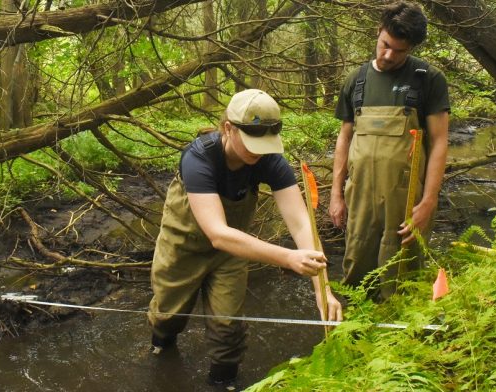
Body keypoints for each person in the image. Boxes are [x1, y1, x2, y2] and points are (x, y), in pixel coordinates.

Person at [147, 89, 343, 389]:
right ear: (229, 128)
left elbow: (301, 223)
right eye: (253, 142)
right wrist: (288, 258)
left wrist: (322, 289)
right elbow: (217, 233)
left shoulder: (270, 162)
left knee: (228, 329)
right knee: (168, 316)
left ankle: (223, 381)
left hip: (232, 253)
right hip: (183, 246)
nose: (259, 152)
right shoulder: (199, 157)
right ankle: (161, 353)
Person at [329, 1, 450, 298]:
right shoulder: (356, 81)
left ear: (411, 48)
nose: (388, 55)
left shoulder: (428, 79)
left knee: (403, 272)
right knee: (357, 268)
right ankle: (357, 319)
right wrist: (335, 195)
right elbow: (344, 138)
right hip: (360, 196)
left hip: (406, 200)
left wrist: (429, 201)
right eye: (385, 45)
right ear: (378, 30)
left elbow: (439, 142)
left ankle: (401, 324)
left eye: (399, 51)